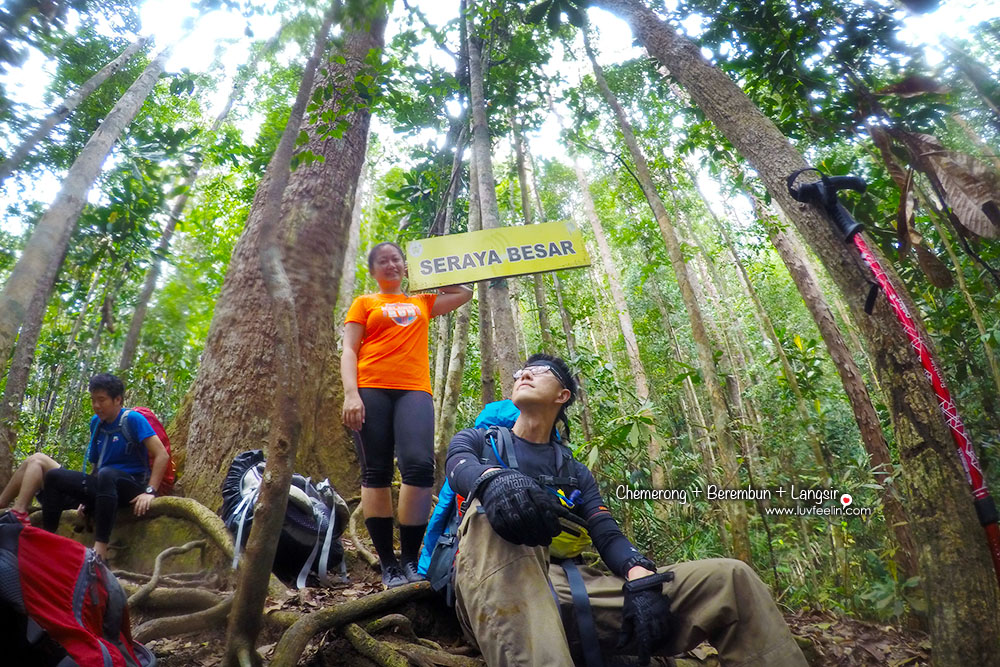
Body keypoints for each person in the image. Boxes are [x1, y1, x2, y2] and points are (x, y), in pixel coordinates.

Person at [445, 353, 808, 667]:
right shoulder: (480, 440)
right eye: (520, 372)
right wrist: (494, 481)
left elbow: (606, 533)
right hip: (494, 589)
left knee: (731, 579)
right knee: (490, 513)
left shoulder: (575, 471)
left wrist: (640, 579)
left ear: (563, 395)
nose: (524, 374)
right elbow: (459, 466)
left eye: (538, 371)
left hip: (575, 590)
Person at [342, 241, 473, 588]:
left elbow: (464, 294)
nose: (391, 265)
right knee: (377, 471)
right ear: (373, 271)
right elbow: (349, 350)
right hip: (371, 388)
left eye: (396, 259)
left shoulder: (421, 302)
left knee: (418, 465)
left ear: (405, 266)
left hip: (414, 390)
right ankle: (388, 564)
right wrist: (351, 394)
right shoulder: (364, 303)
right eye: (382, 261)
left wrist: (433, 268)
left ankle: (411, 561)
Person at [0, 373, 169, 562]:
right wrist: (85, 495)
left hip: (130, 487)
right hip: (105, 484)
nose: (96, 405)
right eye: (93, 400)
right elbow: (98, 465)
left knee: (107, 474)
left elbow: (162, 454)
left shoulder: (133, 420)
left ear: (118, 400)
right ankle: (48, 538)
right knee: (54, 477)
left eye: (101, 400)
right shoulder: (96, 424)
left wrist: (149, 491)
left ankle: (100, 548)